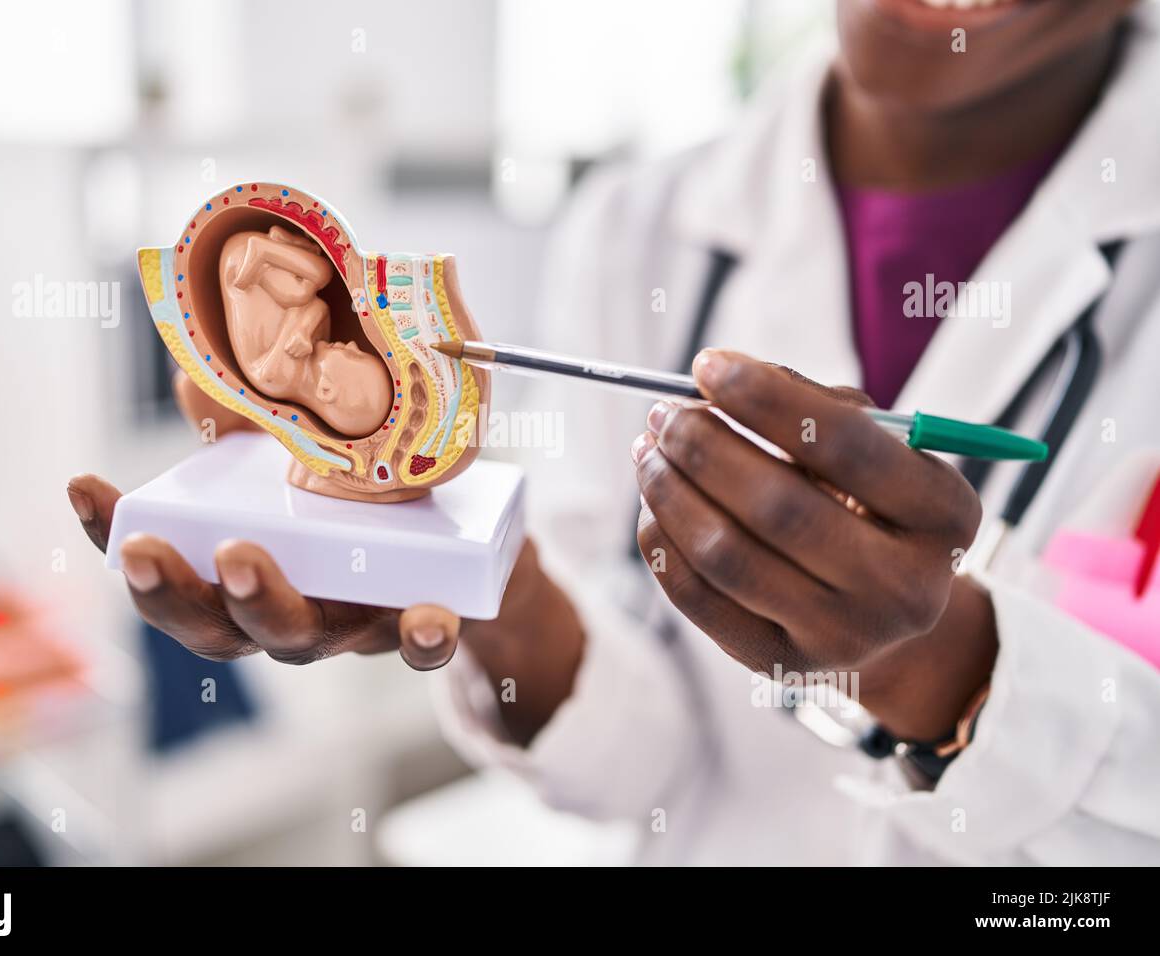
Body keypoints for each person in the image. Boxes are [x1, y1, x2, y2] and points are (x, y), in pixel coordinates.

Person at [67, 0, 1160, 864]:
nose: (297, 332)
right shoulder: (631, 231)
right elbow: (633, 758)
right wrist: (494, 588)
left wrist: (948, 669)